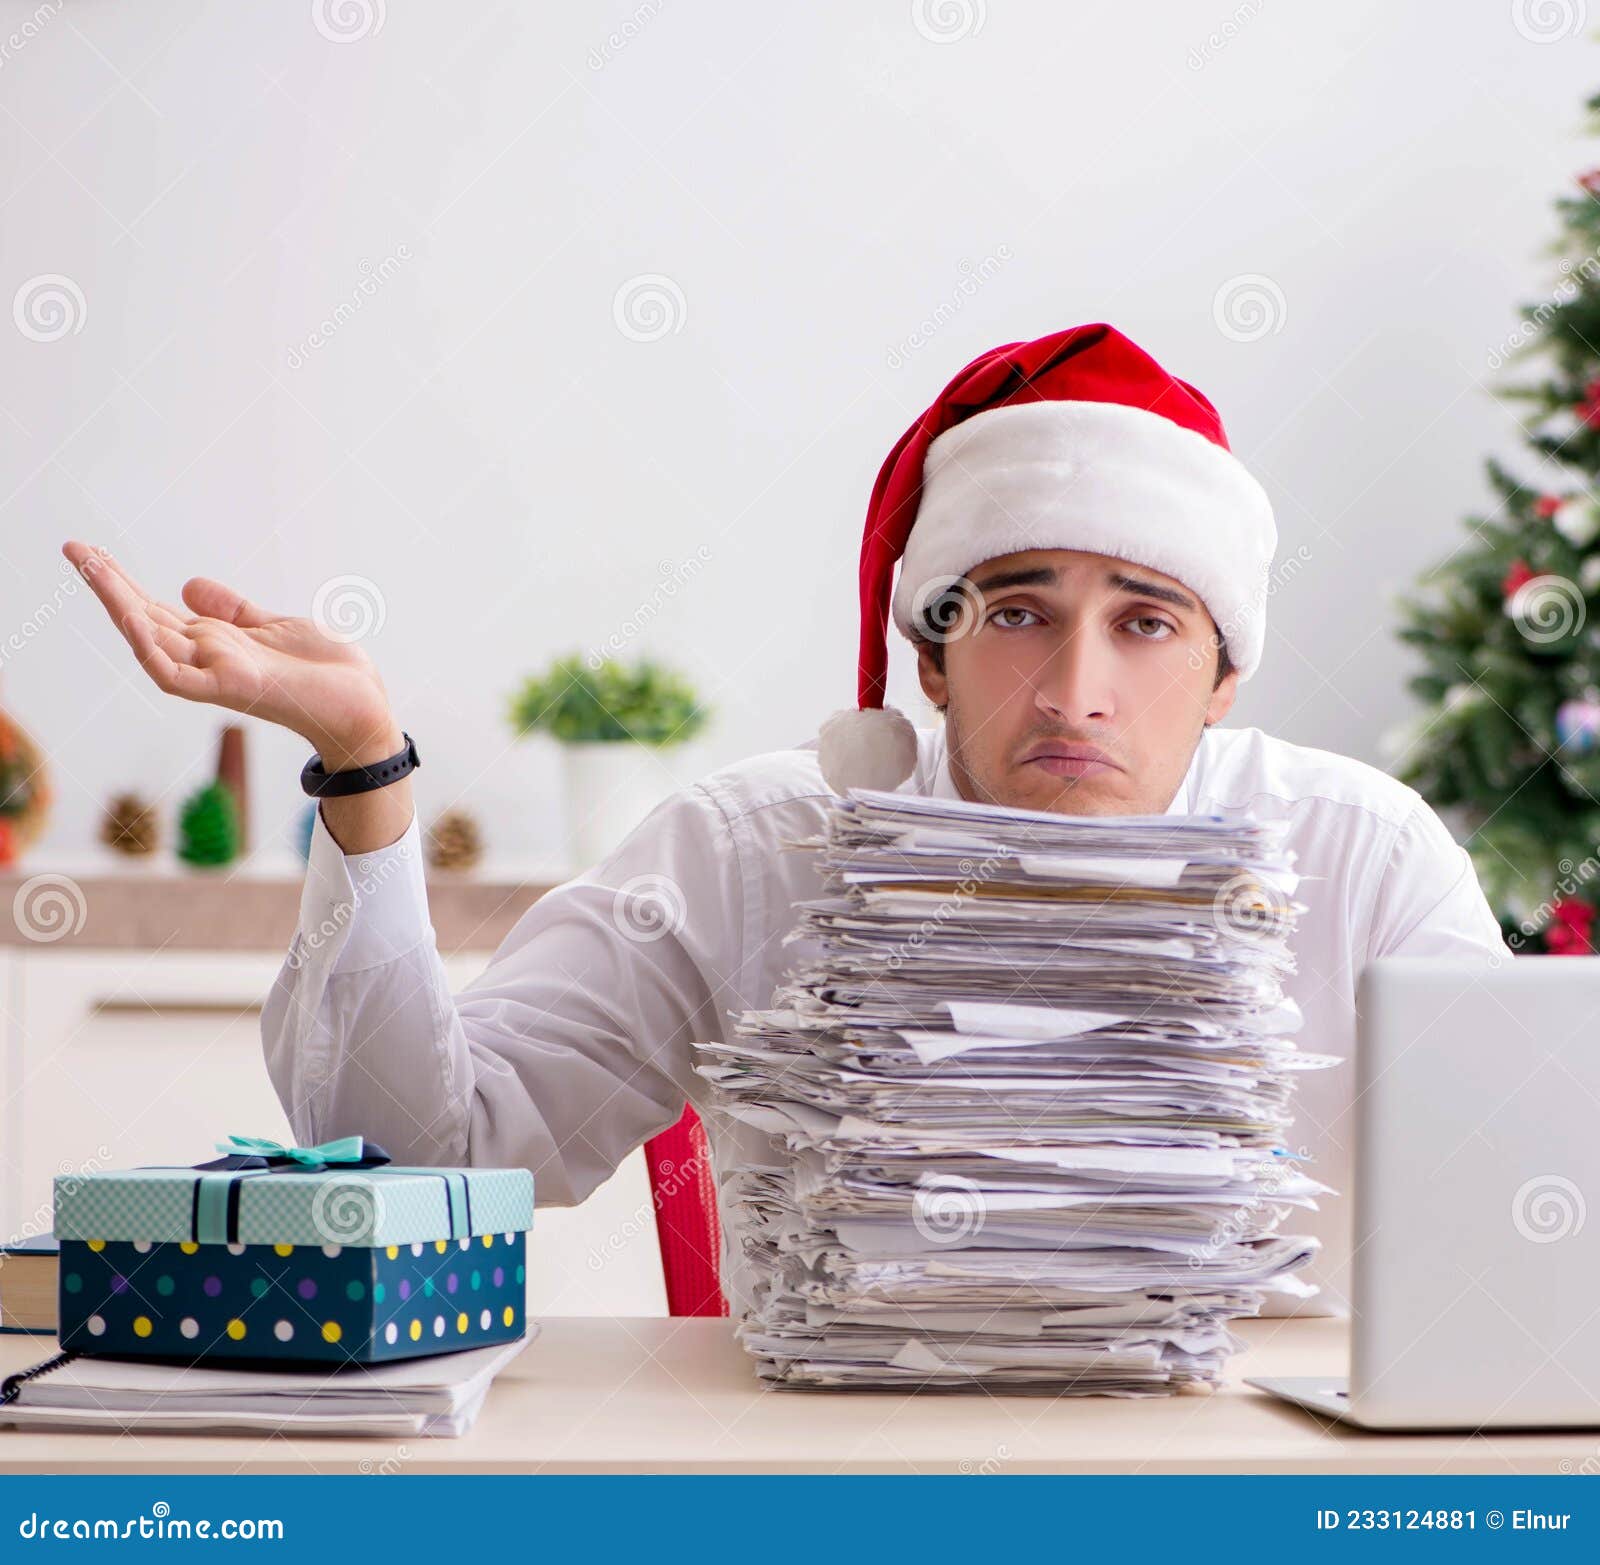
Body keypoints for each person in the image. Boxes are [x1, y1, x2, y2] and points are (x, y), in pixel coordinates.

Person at [63, 322, 1507, 1320]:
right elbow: (426, 1154)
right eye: (1018, 613)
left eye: (1146, 623)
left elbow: (1526, 1210)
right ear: (928, 655)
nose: (1078, 688)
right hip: (833, 1482)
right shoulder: (753, 851)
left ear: (1227, 673)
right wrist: (365, 772)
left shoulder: (1366, 860)